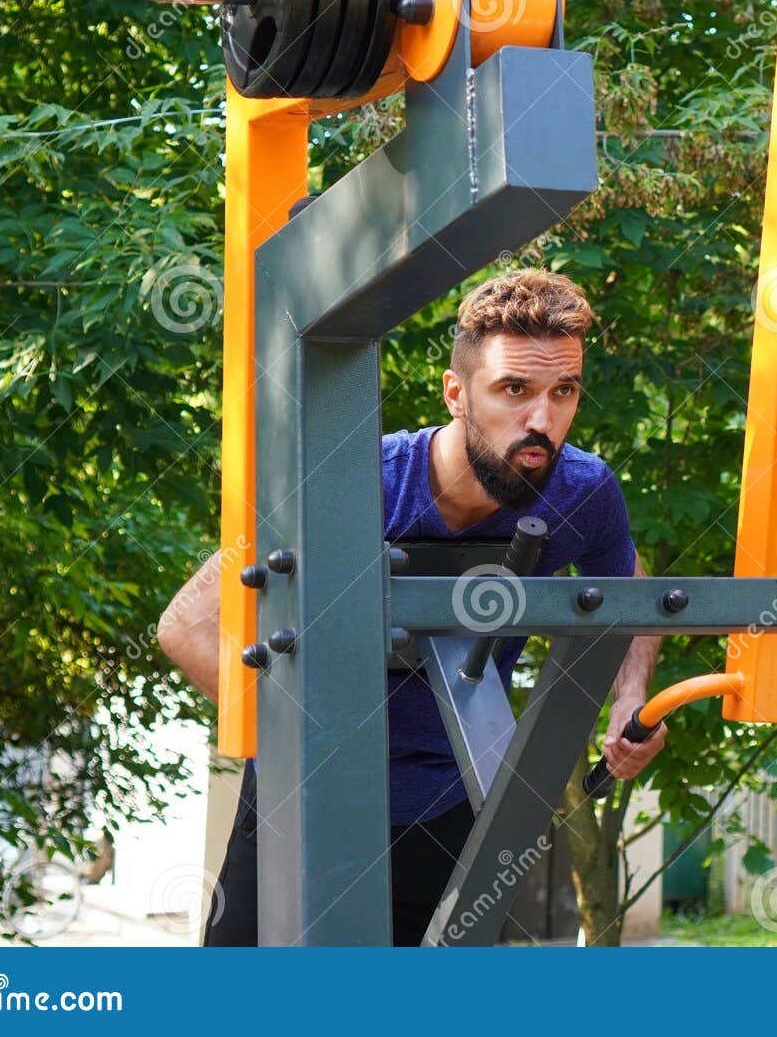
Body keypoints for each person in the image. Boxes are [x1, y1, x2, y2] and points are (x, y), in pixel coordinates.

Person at [156, 269, 667, 945]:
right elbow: (187, 625)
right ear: (456, 392)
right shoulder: (353, 479)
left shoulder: (582, 491)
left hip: (452, 805)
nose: (542, 419)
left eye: (563, 391)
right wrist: (298, 748)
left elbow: (625, 585)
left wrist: (630, 696)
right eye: (514, 389)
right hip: (302, 802)